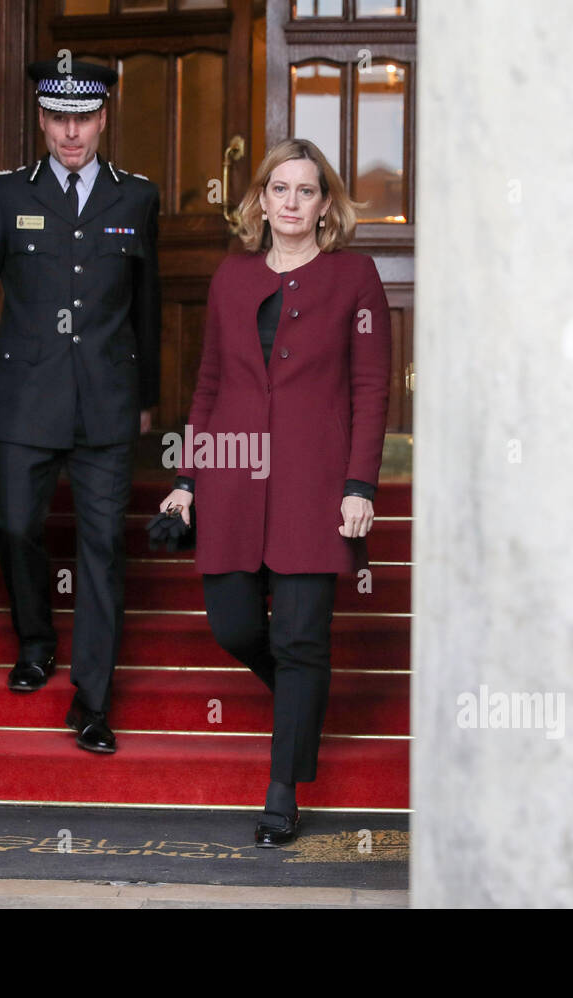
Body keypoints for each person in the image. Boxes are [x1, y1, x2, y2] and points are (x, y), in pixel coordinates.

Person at [159, 138, 392, 846]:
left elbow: (371, 388)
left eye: (307, 191)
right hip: (230, 477)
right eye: (279, 189)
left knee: (299, 638)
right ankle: (304, 695)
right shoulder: (231, 278)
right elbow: (208, 385)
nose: (291, 203)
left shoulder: (355, 277)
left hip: (314, 485)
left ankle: (282, 789)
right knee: (234, 626)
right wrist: (185, 480)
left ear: (326, 205)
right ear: (260, 199)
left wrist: (359, 485)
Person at [0, 58, 161, 754]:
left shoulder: (137, 198)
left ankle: (93, 704)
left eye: (85, 118)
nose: (72, 133)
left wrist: (148, 399)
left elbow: (147, 310)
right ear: (42, 120)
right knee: (12, 524)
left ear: (103, 120)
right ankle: (36, 640)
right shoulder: (7, 195)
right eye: (59, 118)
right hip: (23, 398)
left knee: (102, 550)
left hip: (106, 402)